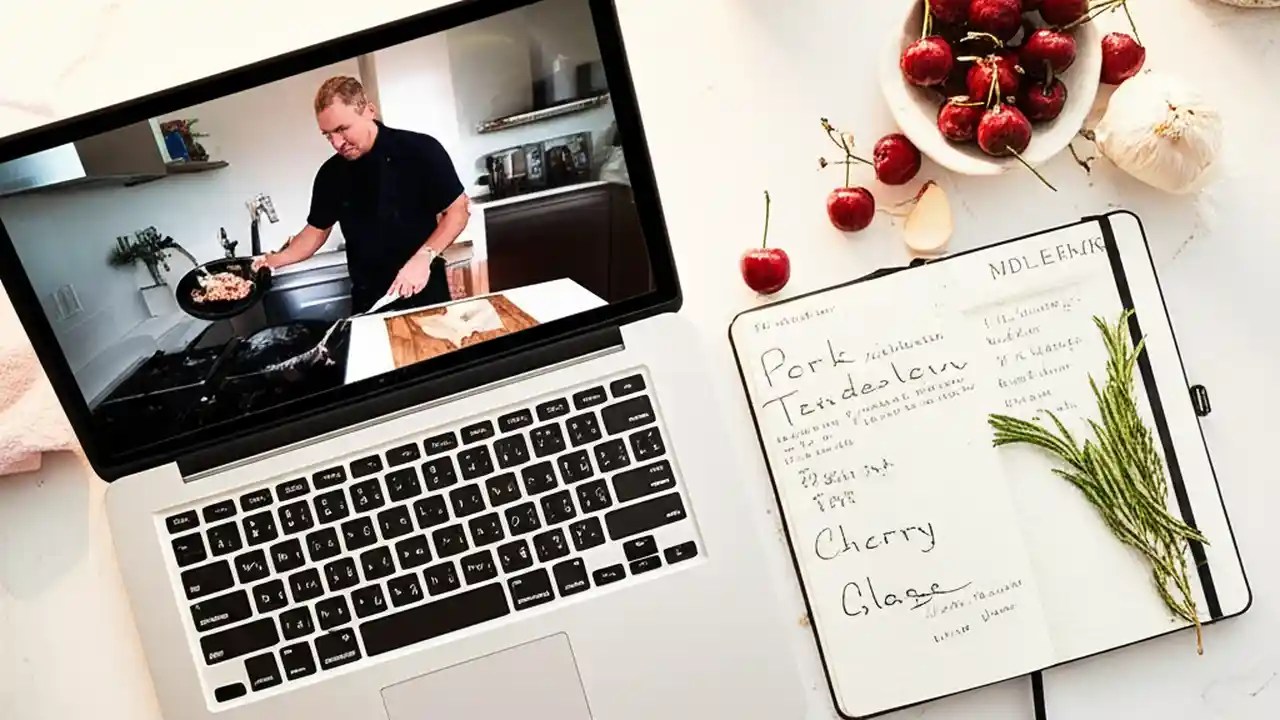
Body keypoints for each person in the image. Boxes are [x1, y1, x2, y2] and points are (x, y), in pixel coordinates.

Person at [255, 76, 470, 314]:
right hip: (368, 300)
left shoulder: (420, 150)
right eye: (327, 135)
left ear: (368, 111)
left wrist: (424, 255)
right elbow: (315, 233)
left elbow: (458, 210)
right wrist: (270, 261)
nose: (336, 143)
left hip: (423, 290)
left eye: (342, 129)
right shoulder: (331, 174)